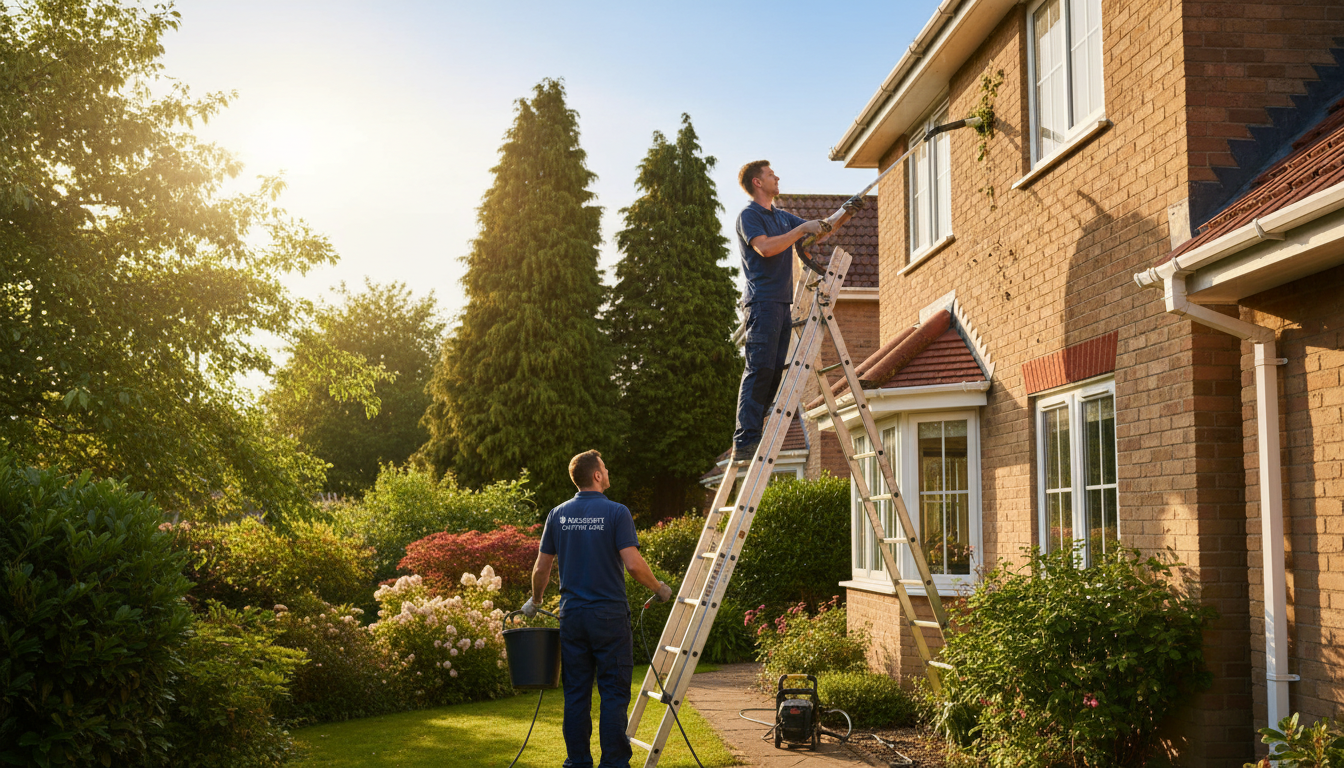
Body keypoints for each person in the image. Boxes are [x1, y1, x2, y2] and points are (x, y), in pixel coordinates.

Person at [522, 450, 672, 768]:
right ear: (597, 476)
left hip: (572, 616)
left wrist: (535, 601)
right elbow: (632, 564)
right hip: (609, 617)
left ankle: (577, 763)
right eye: (604, 467)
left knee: (576, 694)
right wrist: (659, 588)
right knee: (614, 693)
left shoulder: (557, 515)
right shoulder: (616, 513)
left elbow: (541, 568)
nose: (607, 470)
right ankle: (614, 764)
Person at [732, 160, 861, 462]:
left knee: (775, 370)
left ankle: (756, 432)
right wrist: (801, 228)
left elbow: (820, 231)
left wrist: (845, 212)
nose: (776, 176)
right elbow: (765, 248)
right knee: (760, 368)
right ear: (757, 183)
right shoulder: (749, 216)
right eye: (770, 174)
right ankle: (745, 440)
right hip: (761, 302)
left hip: (781, 303)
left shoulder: (781, 217)